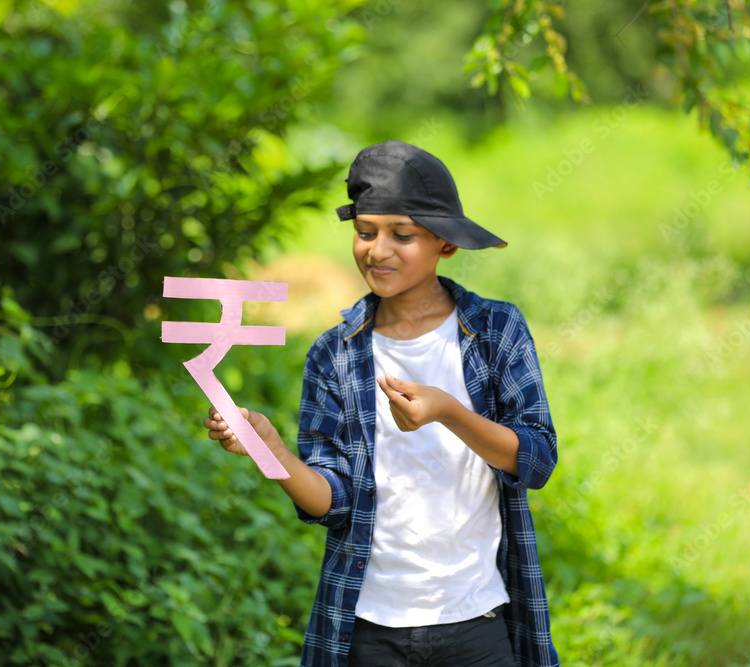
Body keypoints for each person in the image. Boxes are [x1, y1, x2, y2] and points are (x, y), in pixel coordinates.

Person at [203, 140, 559, 667]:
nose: (378, 249)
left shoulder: (494, 331)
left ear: (446, 243)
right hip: (370, 631)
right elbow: (334, 500)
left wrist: (449, 412)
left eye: (403, 234)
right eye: (365, 232)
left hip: (477, 623)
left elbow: (535, 458)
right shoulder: (335, 354)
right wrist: (272, 451)